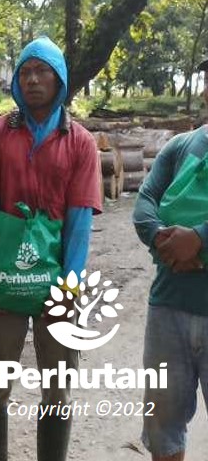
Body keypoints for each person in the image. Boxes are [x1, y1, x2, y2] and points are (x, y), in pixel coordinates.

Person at [0, 38, 101, 461]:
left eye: (42, 71)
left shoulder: (79, 142)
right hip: (5, 278)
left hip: (56, 283)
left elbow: (79, 222)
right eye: (25, 72)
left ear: (59, 79)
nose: (32, 79)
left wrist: (70, 289)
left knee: (57, 389)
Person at [133, 59, 208, 461]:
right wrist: (166, 241)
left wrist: (198, 239)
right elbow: (145, 201)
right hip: (168, 307)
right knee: (163, 427)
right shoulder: (181, 146)